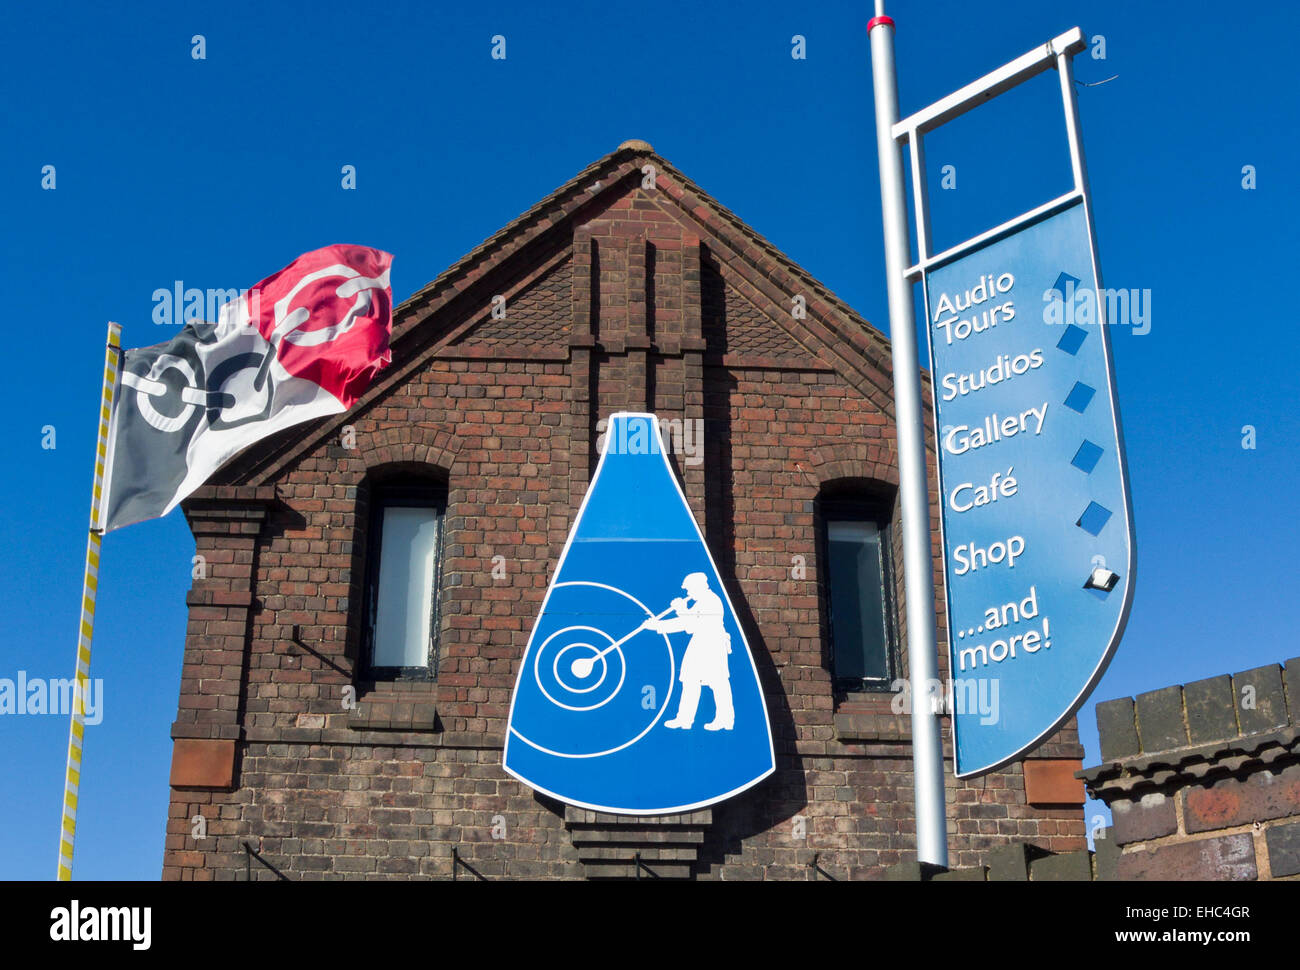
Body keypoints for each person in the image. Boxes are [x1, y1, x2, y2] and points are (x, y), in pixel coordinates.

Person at [646, 572, 734, 731]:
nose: (687, 593)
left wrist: (677, 612)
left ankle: (725, 719)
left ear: (698, 586)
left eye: (689, 589)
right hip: (700, 644)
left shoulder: (710, 601)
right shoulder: (701, 601)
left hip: (712, 645)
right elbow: (687, 622)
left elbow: (691, 625)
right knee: (690, 681)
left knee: (718, 682)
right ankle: (684, 719)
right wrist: (659, 625)